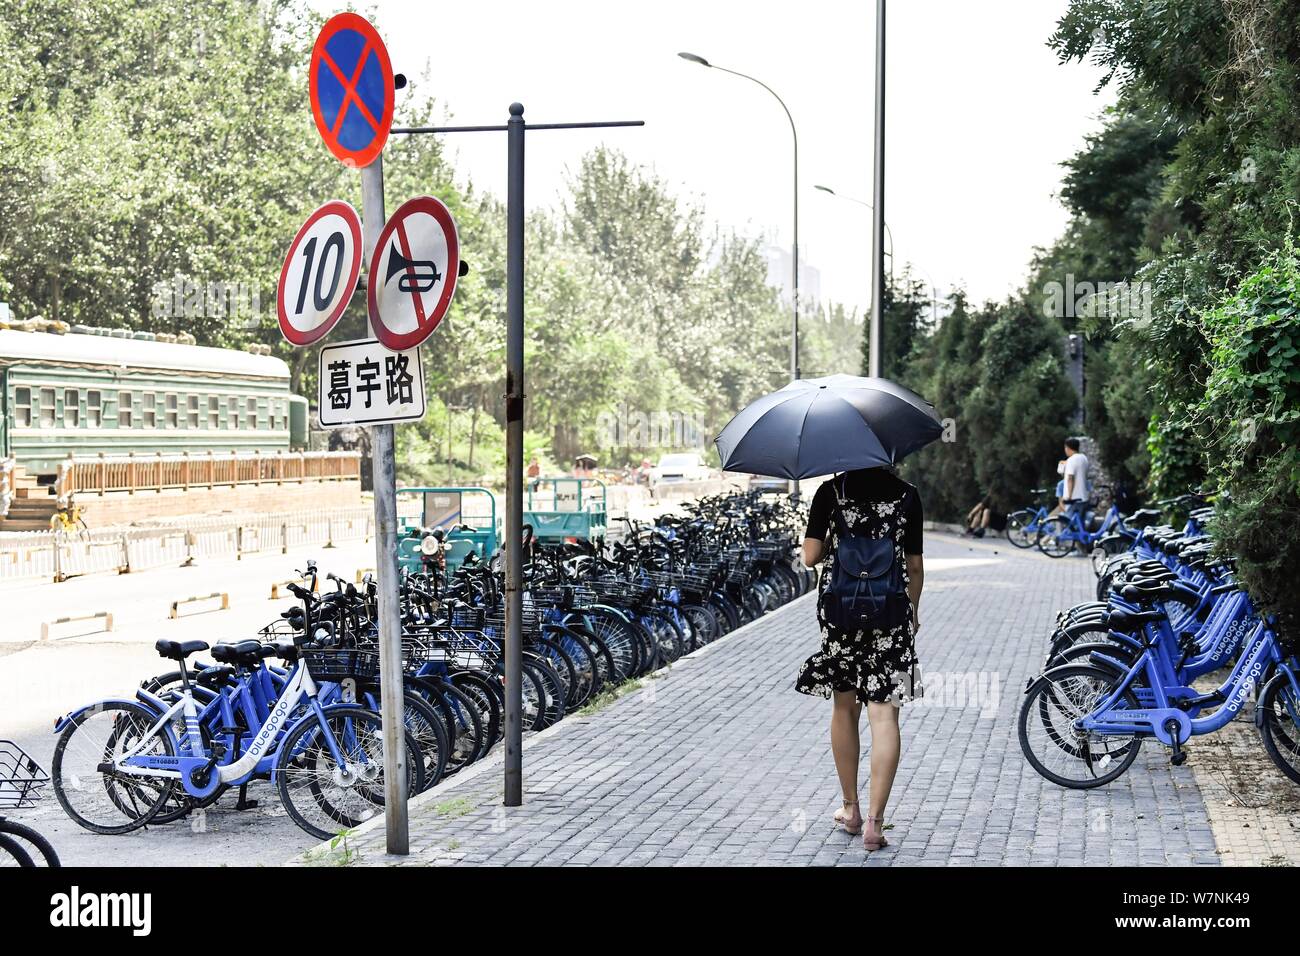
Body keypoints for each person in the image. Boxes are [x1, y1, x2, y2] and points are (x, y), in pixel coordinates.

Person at [796, 466, 924, 852]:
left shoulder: (830, 492)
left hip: (840, 616)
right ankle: (874, 823)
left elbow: (809, 557)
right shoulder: (908, 494)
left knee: (844, 707)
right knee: (885, 714)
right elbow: (915, 565)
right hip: (892, 616)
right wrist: (913, 612)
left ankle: (850, 808)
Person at [1060, 437, 1090, 519]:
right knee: (1081, 524)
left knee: (1070, 524)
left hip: (1074, 499)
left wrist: (1068, 497)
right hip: (1084, 497)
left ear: (1068, 448)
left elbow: (1070, 478)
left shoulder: (1071, 460)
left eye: (1065, 447)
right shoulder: (1084, 458)